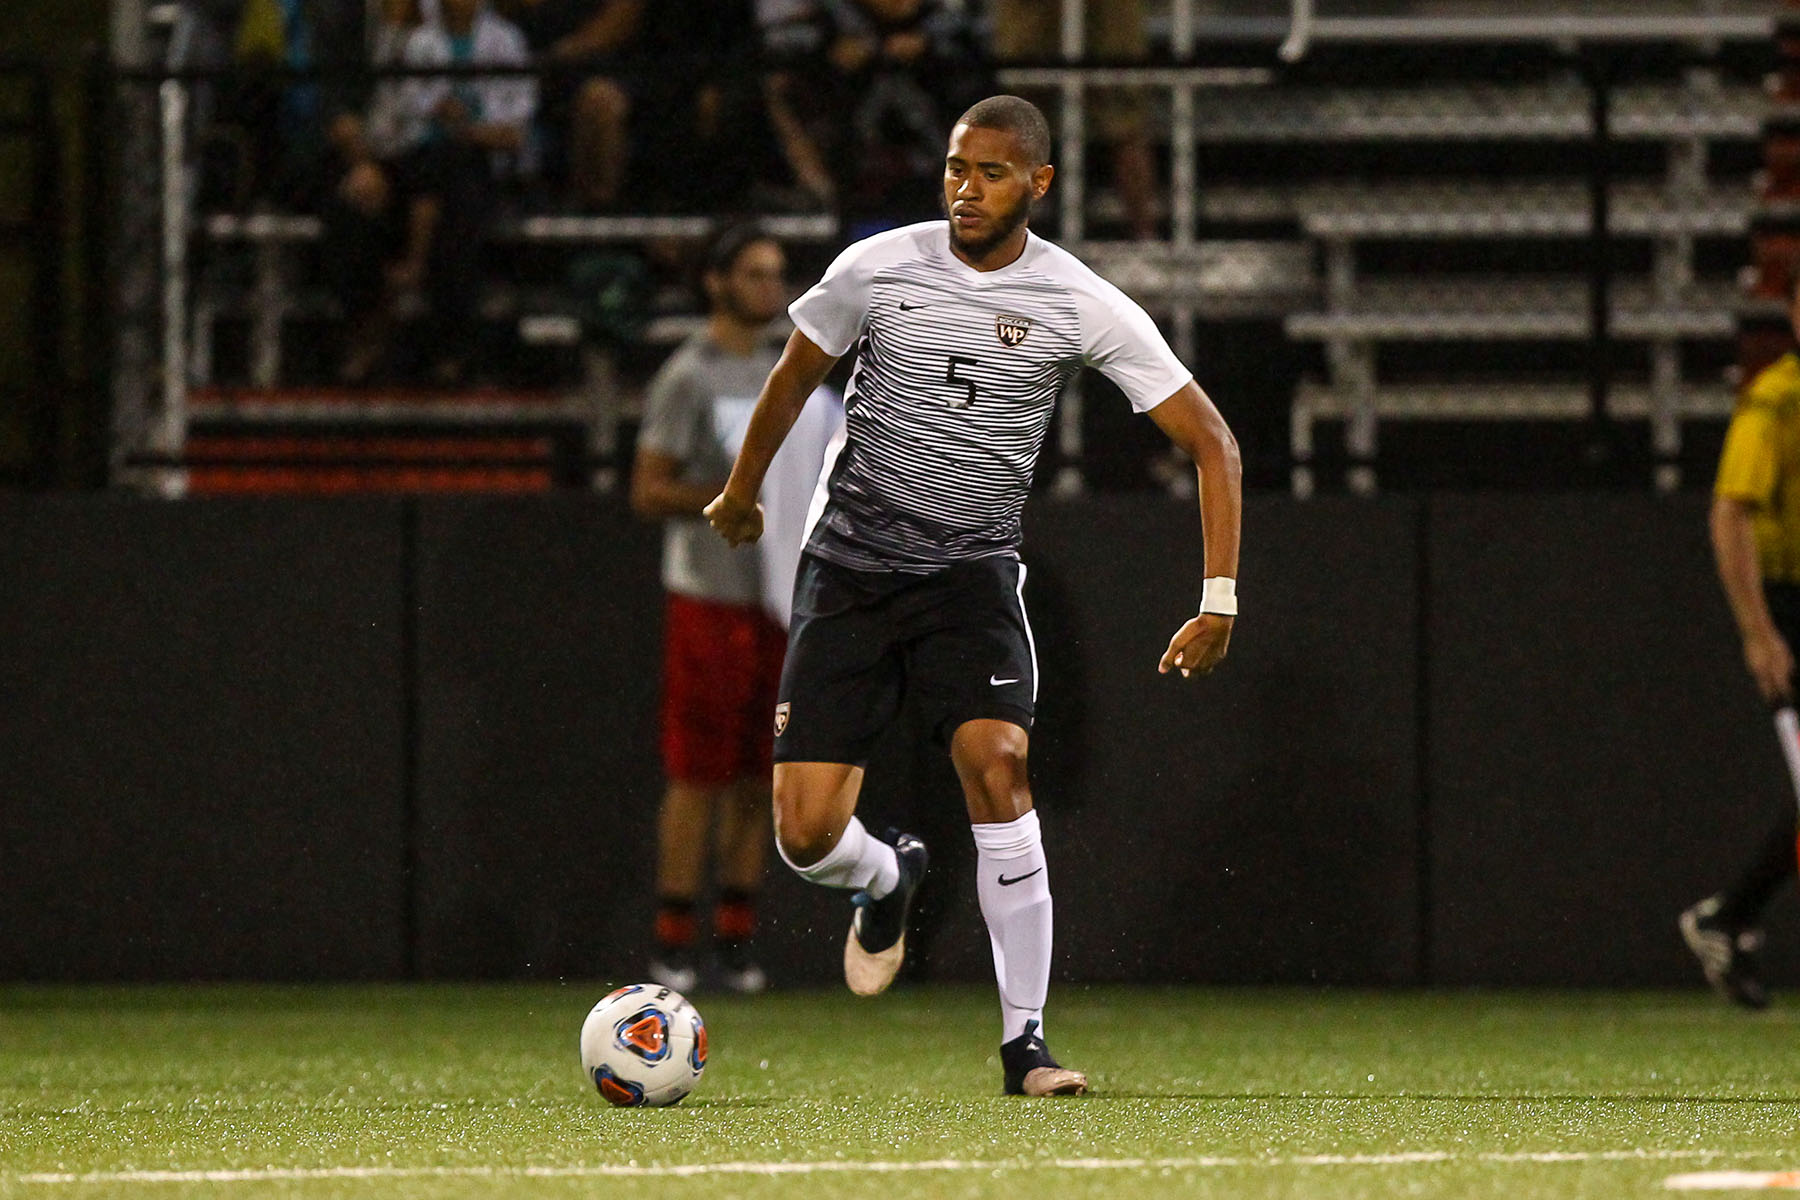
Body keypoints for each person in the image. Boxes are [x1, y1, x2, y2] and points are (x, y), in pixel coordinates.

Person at [704, 95, 1241, 1094]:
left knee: (999, 767)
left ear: (1038, 185)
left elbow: (1213, 440)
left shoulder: (1077, 301)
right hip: (852, 569)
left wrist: (1219, 599)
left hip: (971, 577)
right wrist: (742, 493)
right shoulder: (877, 268)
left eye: (991, 173)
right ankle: (886, 873)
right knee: (805, 834)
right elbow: (792, 374)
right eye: (956, 168)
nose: (966, 188)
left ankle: (1025, 1045)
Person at [632, 225, 837, 994]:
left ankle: (737, 938)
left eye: (777, 273)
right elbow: (647, 488)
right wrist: (732, 500)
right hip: (711, 595)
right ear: (716, 282)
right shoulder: (690, 375)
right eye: (752, 273)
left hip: (783, 602)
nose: (770, 289)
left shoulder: (797, 367)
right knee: (698, 774)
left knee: (762, 774)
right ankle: (673, 938)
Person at [1680, 276, 1800, 1010]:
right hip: (1791, 602)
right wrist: (1761, 632)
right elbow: (1730, 513)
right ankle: (1730, 915)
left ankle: (1730, 917)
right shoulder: (1778, 398)